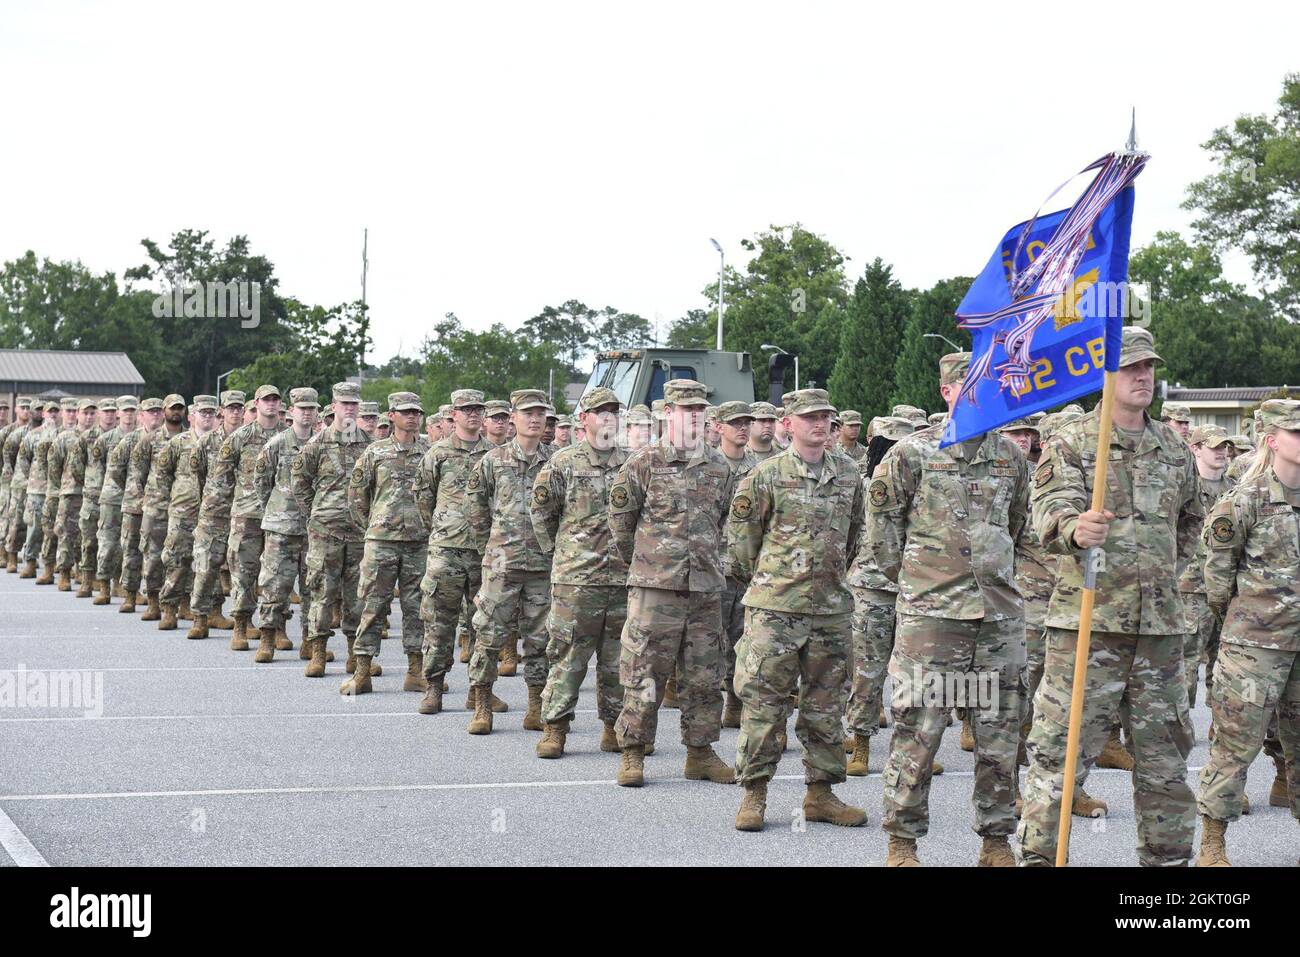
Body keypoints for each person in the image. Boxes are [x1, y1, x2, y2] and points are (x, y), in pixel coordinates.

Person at [1018, 326, 1203, 867]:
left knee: (1166, 763)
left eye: (1149, 368)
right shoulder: (1075, 441)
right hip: (1089, 627)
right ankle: (1039, 859)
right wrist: (1075, 528)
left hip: (1159, 635)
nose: (1144, 376)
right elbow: (1047, 510)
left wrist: (1163, 570)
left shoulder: (1172, 446)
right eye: (1131, 368)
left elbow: (1191, 521)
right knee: (1060, 755)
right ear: (1103, 375)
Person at [869, 354, 1028, 867]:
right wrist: (921, 585)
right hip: (933, 618)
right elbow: (883, 534)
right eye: (971, 385)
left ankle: (996, 842)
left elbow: (1018, 525)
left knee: (1001, 735)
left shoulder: (1010, 455)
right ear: (947, 392)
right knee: (919, 731)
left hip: (998, 619)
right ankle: (902, 842)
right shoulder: (911, 455)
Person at [730, 389, 869, 831]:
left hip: (830, 610)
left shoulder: (849, 475)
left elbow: (854, 536)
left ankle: (821, 794)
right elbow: (742, 545)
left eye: (825, 416)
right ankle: (754, 794)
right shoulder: (765, 475)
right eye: (809, 417)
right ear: (787, 423)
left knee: (826, 706)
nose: (820, 423)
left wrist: (827, 581)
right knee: (764, 704)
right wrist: (776, 581)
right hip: (775, 610)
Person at [607, 379, 736, 787]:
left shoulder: (719, 466)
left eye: (700, 409)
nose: (695, 415)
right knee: (643, 669)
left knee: (704, 674)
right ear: (668, 413)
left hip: (704, 587)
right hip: (655, 587)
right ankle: (633, 751)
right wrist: (645, 565)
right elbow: (621, 523)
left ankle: (700, 752)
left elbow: (725, 520)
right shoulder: (644, 462)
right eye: (687, 409)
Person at [1196, 398, 1300, 865]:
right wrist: (1249, 624)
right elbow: (1217, 581)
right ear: (1273, 440)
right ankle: (1213, 843)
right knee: (1234, 747)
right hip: (1254, 649)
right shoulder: (1244, 501)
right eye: (1296, 433)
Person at [531, 387, 628, 756]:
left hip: (621, 578)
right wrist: (562, 554)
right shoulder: (563, 463)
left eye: (613, 412)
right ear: (583, 419)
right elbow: (542, 513)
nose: (607, 418)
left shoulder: (632, 464)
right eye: (599, 412)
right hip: (576, 579)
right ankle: (555, 728)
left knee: (618, 659)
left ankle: (613, 727)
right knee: (567, 655)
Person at [463, 389, 554, 732]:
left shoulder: (557, 460)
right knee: (487, 633)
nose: (534, 418)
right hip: (501, 563)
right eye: (527, 412)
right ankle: (482, 704)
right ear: (513, 418)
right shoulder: (493, 459)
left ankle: (535, 705)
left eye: (540, 413)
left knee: (540, 638)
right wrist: (489, 546)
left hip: (542, 565)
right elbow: (475, 507)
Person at [845, 415, 931, 777]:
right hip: (872, 587)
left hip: (916, 588)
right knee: (869, 669)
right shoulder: (864, 485)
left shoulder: (926, 486)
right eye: (887, 444)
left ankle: (915, 750)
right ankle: (860, 744)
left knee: (917, 674)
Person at [412, 389, 495, 714]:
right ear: (454, 416)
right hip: (446, 550)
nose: (472, 414)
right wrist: (441, 527)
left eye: (478, 409)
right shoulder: (438, 453)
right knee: (438, 622)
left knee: (483, 624)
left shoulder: (495, 454)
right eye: (466, 409)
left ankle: (480, 691)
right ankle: (433, 686)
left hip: (484, 552)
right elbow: (423, 497)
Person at [342, 392, 429, 694]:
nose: (412, 417)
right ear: (391, 416)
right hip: (381, 541)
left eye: (416, 412)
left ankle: (416, 670)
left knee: (417, 607)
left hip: (419, 541)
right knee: (373, 605)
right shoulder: (374, 453)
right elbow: (356, 497)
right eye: (405, 412)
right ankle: (362, 669)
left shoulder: (430, 451)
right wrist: (373, 526)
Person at [291, 382, 370, 676]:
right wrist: (315, 513)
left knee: (358, 595)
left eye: (354, 404)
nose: (349, 408)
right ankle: (319, 652)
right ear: (333, 406)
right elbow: (299, 481)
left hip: (359, 533)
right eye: (344, 403)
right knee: (322, 593)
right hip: (325, 531)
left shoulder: (369, 445)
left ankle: (355, 655)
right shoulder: (318, 443)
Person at [197, 386, 284, 649]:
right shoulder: (240, 438)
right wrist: (216, 515)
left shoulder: (288, 437)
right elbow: (219, 480)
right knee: (243, 573)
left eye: (275, 400)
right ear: (256, 404)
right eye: (266, 400)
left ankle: (276, 627)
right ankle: (241, 625)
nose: (271, 404)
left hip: (280, 517)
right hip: (246, 515)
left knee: (277, 575)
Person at [251, 388, 319, 662]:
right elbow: (261, 482)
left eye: (311, 408)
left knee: (313, 587)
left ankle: (309, 640)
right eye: (301, 408)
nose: (306, 412)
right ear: (291, 412)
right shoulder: (277, 444)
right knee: (274, 586)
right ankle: (268, 637)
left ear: (317, 413)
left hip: (314, 529)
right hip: (281, 528)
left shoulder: (322, 444)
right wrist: (276, 509)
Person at [1178, 425, 1236, 710]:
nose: (1222, 453)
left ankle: (1220, 726)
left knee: (1225, 661)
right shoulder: (1184, 488)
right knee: (1186, 660)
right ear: (1196, 449)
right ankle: (1180, 727)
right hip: (1192, 588)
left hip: (1226, 587)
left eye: (1225, 447)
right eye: (1214, 447)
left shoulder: (1235, 490)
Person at [713, 401, 758, 728]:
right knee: (712, 640)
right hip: (712, 568)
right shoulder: (708, 466)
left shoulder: (760, 469)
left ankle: (735, 700)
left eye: (746, 423)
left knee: (745, 638)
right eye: (735, 423)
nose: (742, 428)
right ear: (719, 427)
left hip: (748, 567)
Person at [185, 391, 245, 637]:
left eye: (238, 408)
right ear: (223, 411)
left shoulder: (248, 439)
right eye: (230, 408)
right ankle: (200, 617)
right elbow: (197, 476)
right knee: (205, 567)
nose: (234, 412)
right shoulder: (206, 442)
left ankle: (240, 620)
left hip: (241, 514)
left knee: (242, 571)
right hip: (212, 515)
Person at [155, 395, 217, 629]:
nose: (207, 417)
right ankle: (169, 608)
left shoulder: (221, 444)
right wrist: (171, 498)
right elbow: (162, 474)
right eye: (203, 413)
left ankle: (196, 607)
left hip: (210, 512)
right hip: (182, 511)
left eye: (211, 413)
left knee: (204, 563)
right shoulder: (179, 443)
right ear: (192, 416)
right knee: (177, 560)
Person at [135, 395, 187, 618]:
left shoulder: (190, 438)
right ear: (164, 410)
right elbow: (138, 472)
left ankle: (180, 604)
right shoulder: (150, 439)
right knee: (153, 556)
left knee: (180, 557)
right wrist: (149, 497)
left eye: (179, 409)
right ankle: (154, 602)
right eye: (171, 408)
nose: (175, 412)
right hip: (156, 507)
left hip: (183, 507)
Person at [115, 398, 165, 607]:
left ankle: (160, 595)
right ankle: (130, 594)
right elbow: (118, 470)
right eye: (149, 412)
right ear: (141, 415)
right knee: (131, 550)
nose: (154, 415)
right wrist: (137, 492)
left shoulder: (169, 438)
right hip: (134, 504)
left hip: (159, 506)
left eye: (157, 411)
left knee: (157, 552)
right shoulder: (131, 440)